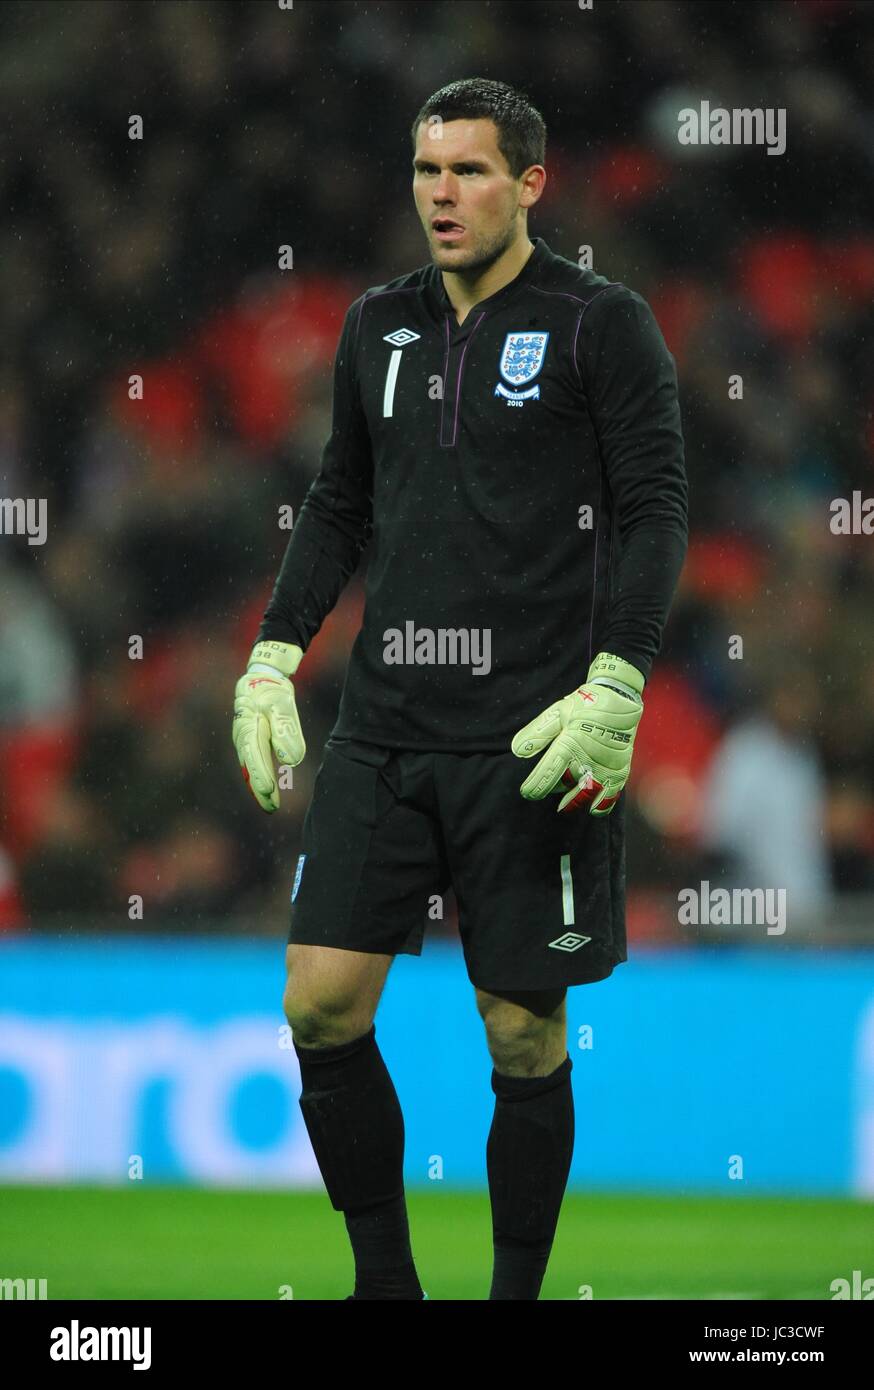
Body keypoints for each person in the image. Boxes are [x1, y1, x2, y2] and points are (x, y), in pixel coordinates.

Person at [232, 78, 688, 1300]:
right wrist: (276, 649)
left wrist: (618, 678)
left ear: (531, 183)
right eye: (428, 171)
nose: (442, 194)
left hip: (532, 735)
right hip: (384, 727)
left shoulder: (601, 324)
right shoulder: (375, 324)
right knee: (320, 1006)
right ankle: (385, 1284)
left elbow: (653, 512)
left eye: (470, 171)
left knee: (520, 1030)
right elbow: (338, 500)